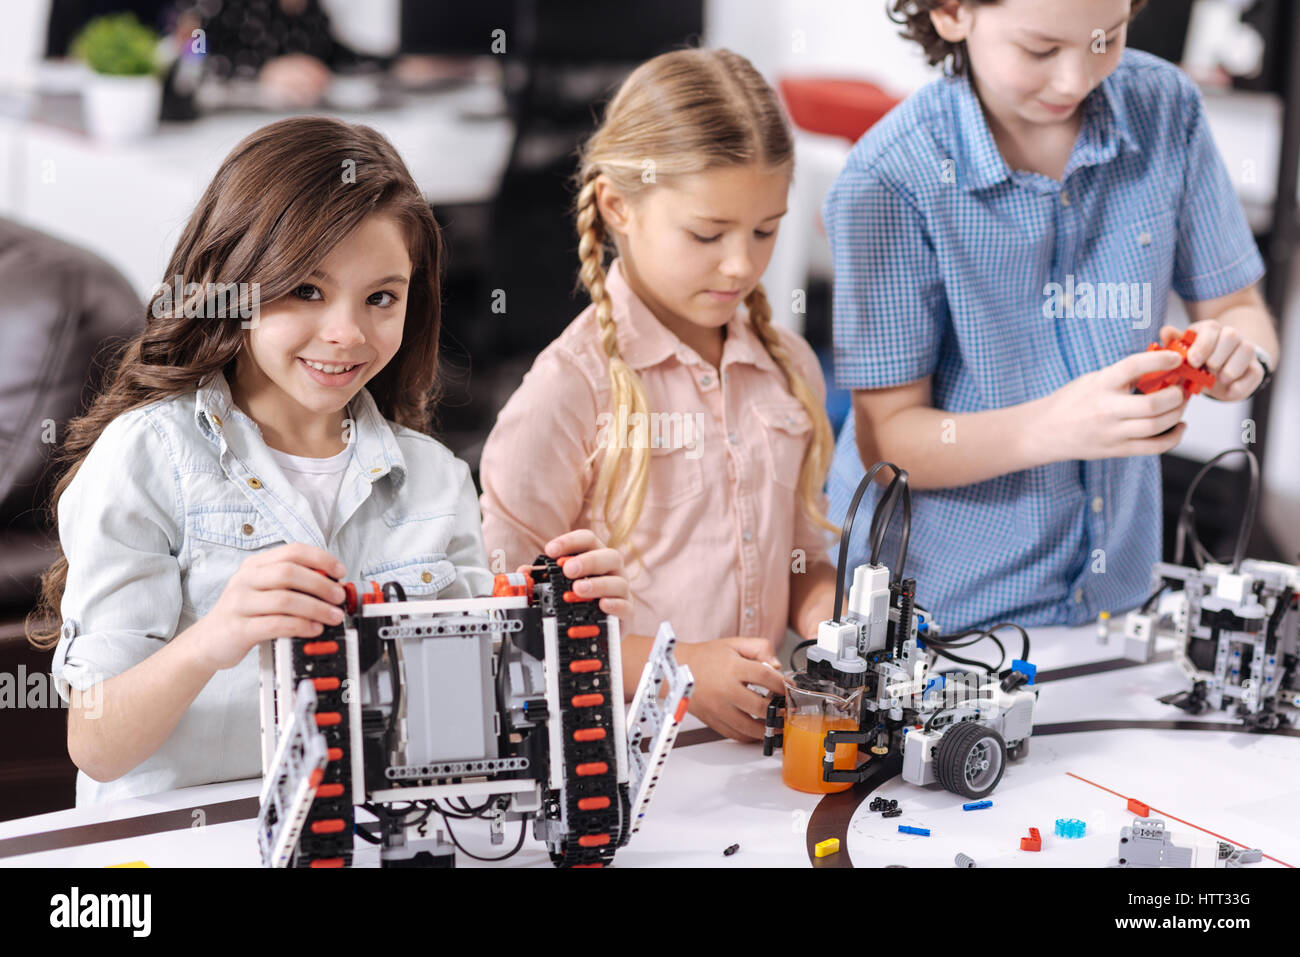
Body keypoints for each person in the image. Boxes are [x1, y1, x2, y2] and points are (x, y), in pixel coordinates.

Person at [28, 116, 630, 804]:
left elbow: (466, 733)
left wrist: (547, 627)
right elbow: (97, 744)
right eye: (307, 291)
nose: (346, 333)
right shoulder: (149, 456)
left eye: (381, 298)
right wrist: (215, 639)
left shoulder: (434, 479)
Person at [825, 0, 1281, 631]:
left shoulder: (1165, 106)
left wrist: (1240, 357)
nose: (1075, 80)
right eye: (1040, 51)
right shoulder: (889, 177)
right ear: (953, 13)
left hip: (1117, 598)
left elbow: (1239, 308)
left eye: (1107, 38)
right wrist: (1056, 428)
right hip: (945, 615)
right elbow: (889, 439)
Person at [479, 48, 842, 743]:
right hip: (617, 762)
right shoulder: (569, 391)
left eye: (766, 230)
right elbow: (506, 621)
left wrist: (836, 615)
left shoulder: (788, 365)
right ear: (619, 205)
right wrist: (677, 666)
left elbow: (798, 556)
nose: (742, 264)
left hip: (751, 760)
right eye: (707, 233)